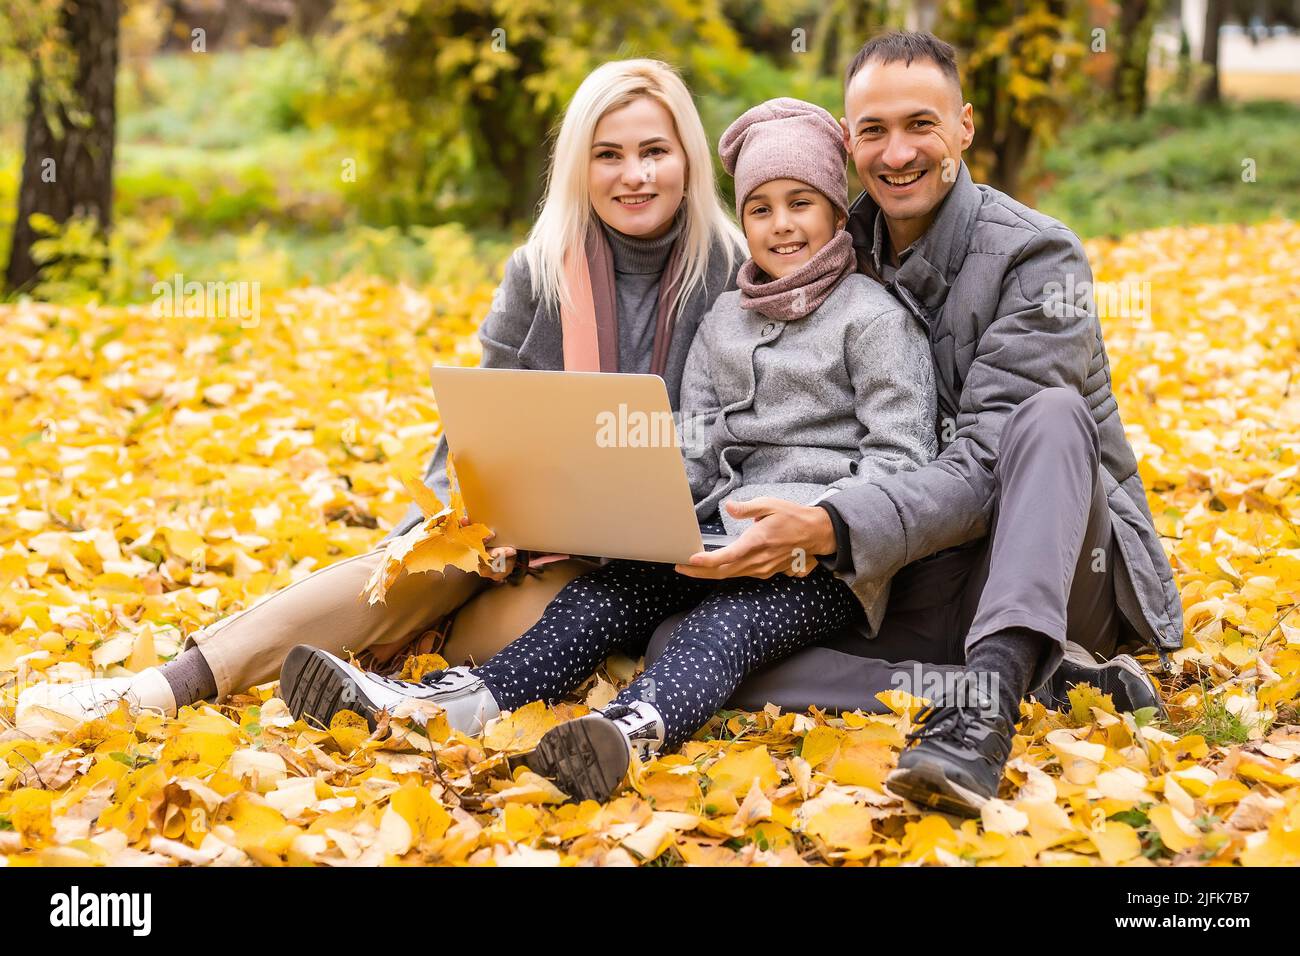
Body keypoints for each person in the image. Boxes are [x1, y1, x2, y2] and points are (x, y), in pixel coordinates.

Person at [14, 58, 744, 738]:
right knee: (412, 569)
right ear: (579, 167)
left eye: (655, 151)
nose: (634, 175)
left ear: (688, 158)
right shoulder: (540, 273)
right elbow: (470, 433)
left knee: (514, 630)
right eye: (608, 155)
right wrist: (480, 518)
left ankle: (375, 674)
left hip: (633, 573)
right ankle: (157, 688)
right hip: (514, 539)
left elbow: (737, 442)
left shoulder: (733, 276)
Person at [279, 98, 939, 802]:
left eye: (801, 203)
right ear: (743, 221)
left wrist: (818, 528)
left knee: (721, 628)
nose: (781, 225)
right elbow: (698, 444)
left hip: (819, 565)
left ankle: (629, 731)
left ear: (839, 212)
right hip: (718, 538)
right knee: (597, 600)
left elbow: (901, 463)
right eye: (761, 209)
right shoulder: (726, 320)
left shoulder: (875, 320)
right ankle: (444, 705)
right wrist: (643, 515)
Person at [662, 31, 1184, 817]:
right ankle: (1024, 678)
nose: (897, 152)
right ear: (847, 142)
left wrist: (828, 524)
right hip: (918, 572)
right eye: (873, 131)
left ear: (964, 128)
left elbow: (982, 466)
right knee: (684, 651)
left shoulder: (1037, 258)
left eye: (921, 125)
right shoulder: (831, 252)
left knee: (1049, 416)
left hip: (1061, 561)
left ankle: (985, 709)